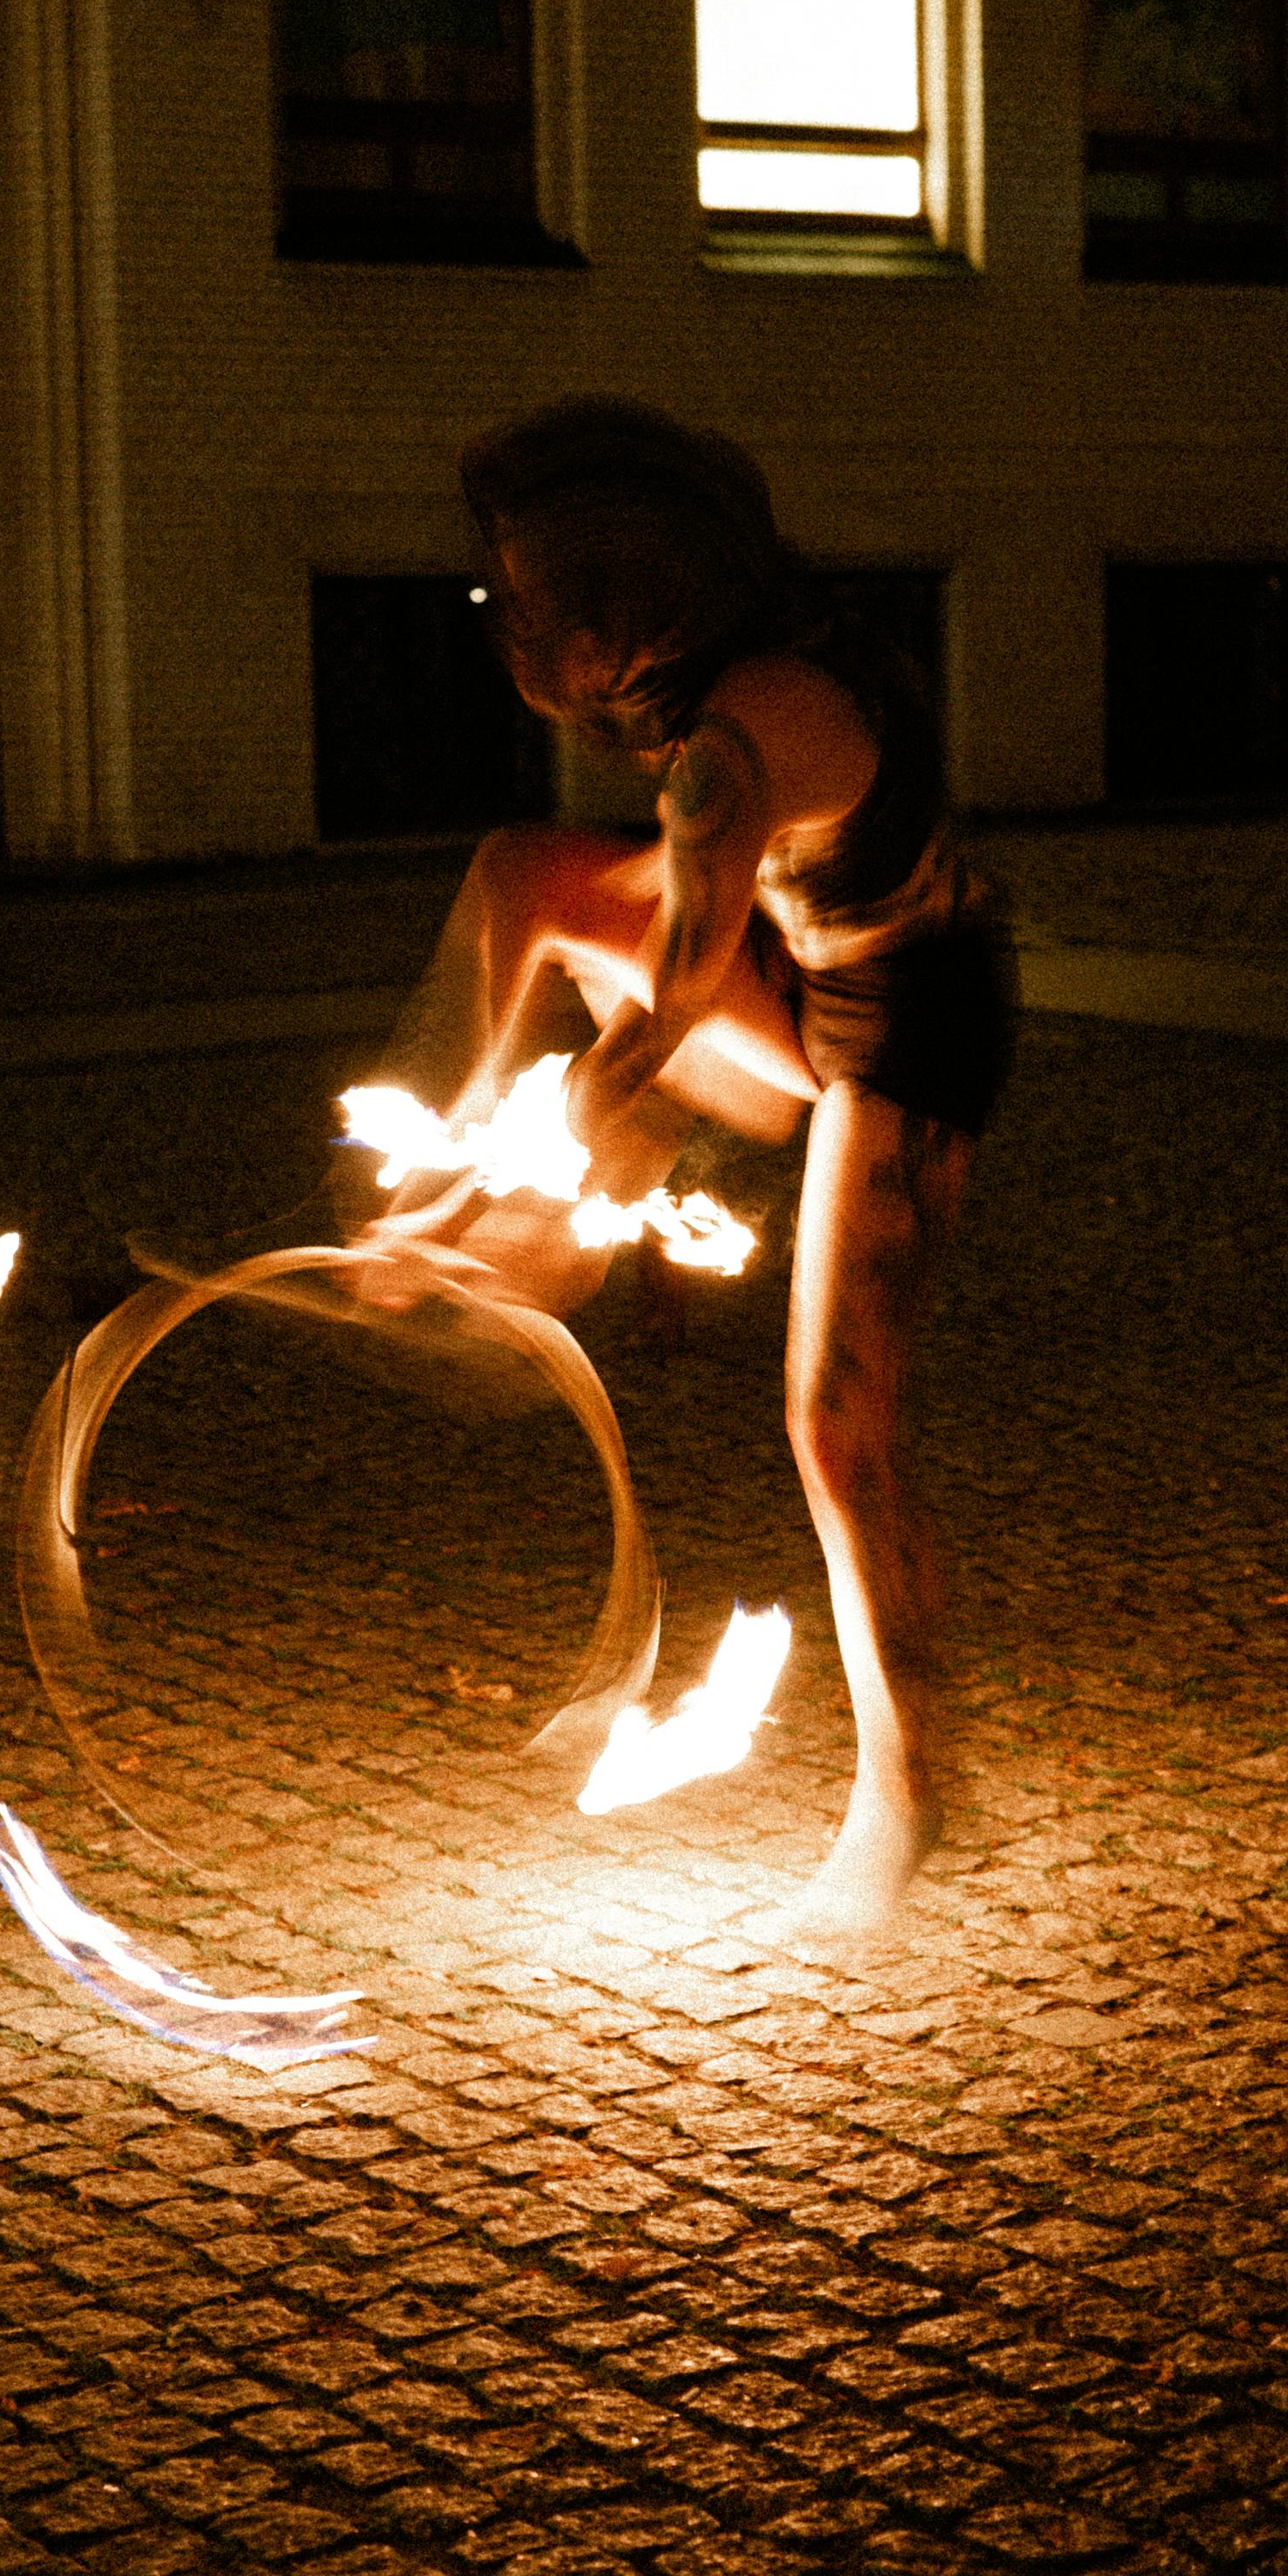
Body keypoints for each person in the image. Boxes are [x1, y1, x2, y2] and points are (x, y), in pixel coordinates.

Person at [354, 397, 1014, 1945]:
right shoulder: (717, 711)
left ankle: (906, 1789)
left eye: (530, 593)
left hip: (908, 1024)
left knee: (835, 1420)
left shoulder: (736, 747)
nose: (513, 622)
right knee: (529, 873)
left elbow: (667, 996)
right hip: (792, 976)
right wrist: (450, 1163)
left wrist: (524, 1161)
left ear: (615, 601)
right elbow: (645, 942)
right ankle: (457, 1215)